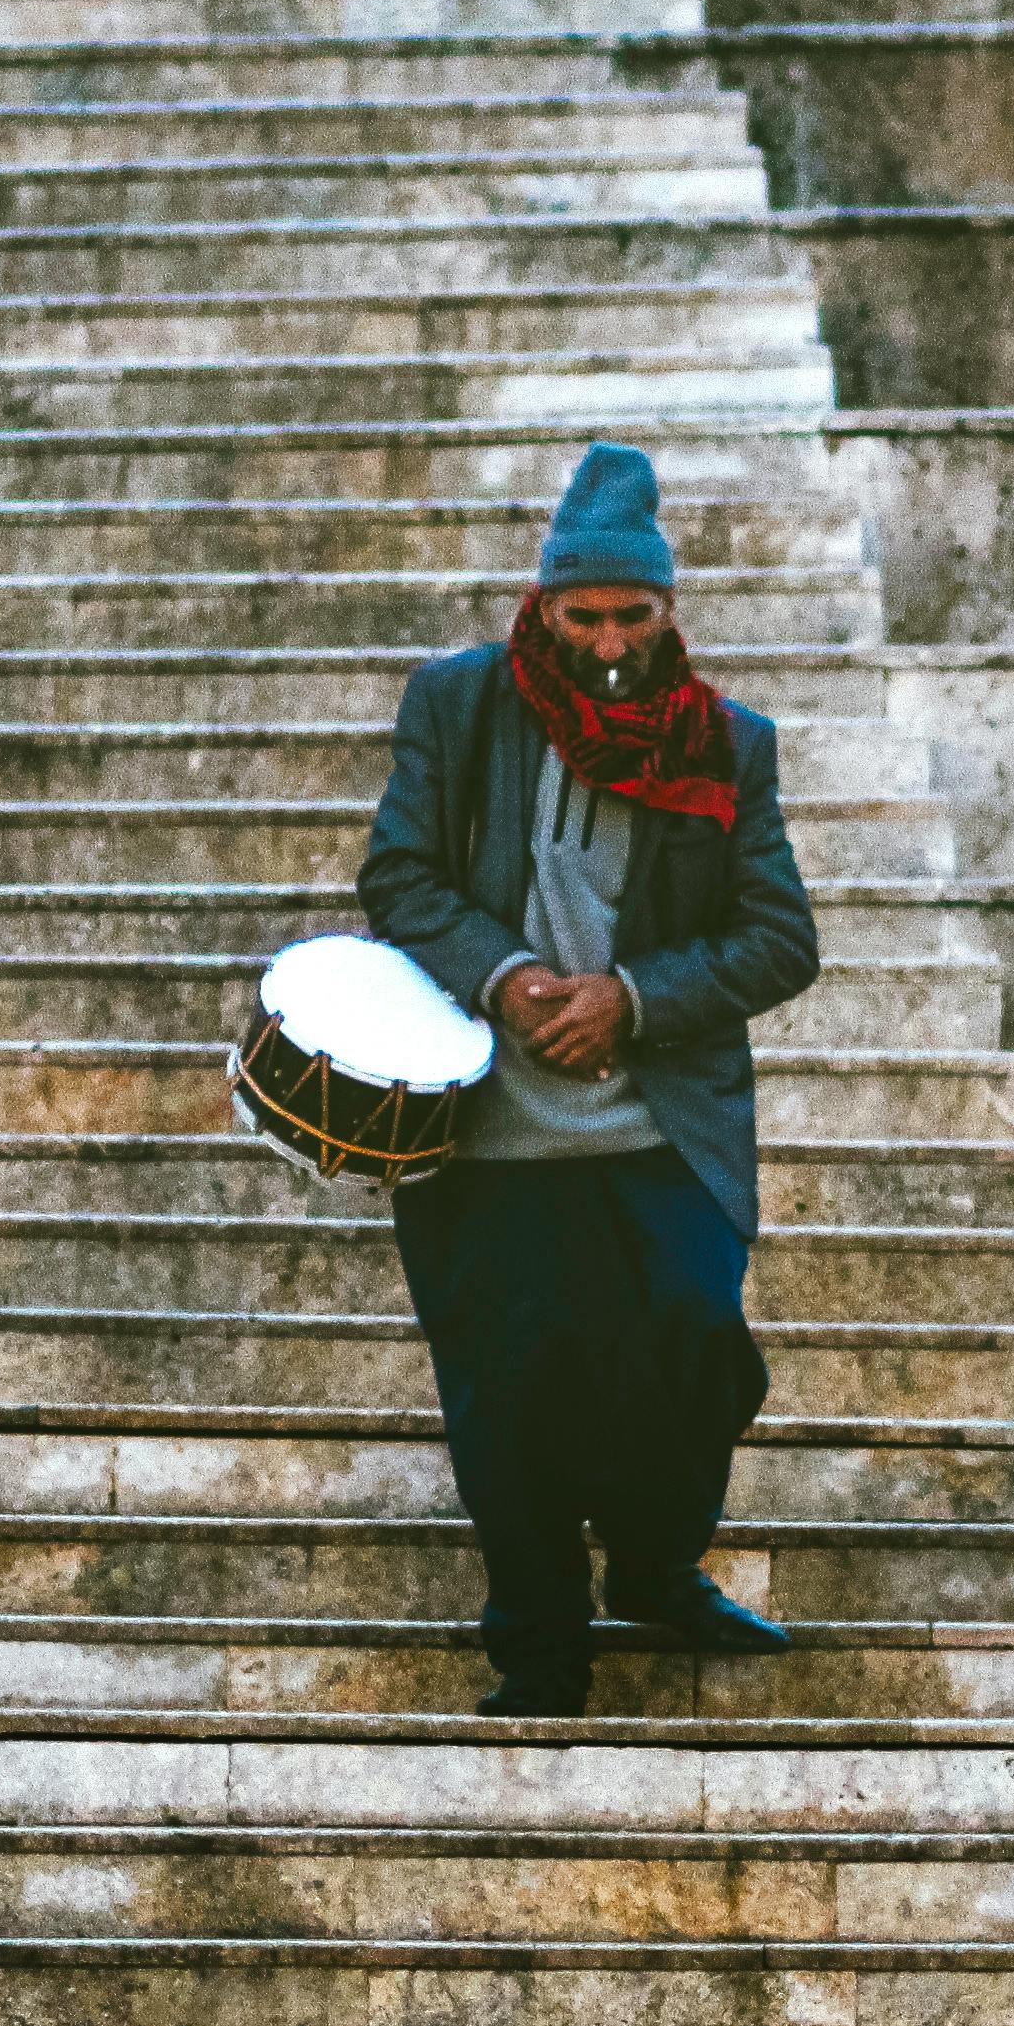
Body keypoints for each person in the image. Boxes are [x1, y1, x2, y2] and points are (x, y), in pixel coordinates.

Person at [355, 442, 820, 1716]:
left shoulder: (727, 745)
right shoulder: (457, 707)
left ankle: (658, 1562)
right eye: (583, 616)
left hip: (657, 1131)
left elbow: (782, 940)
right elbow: (399, 878)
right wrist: (507, 979)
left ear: (669, 611)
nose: (607, 642)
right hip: (488, 1134)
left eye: (631, 615)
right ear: (542, 607)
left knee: (697, 1356)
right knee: (507, 1403)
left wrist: (632, 1001)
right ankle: (543, 1651)